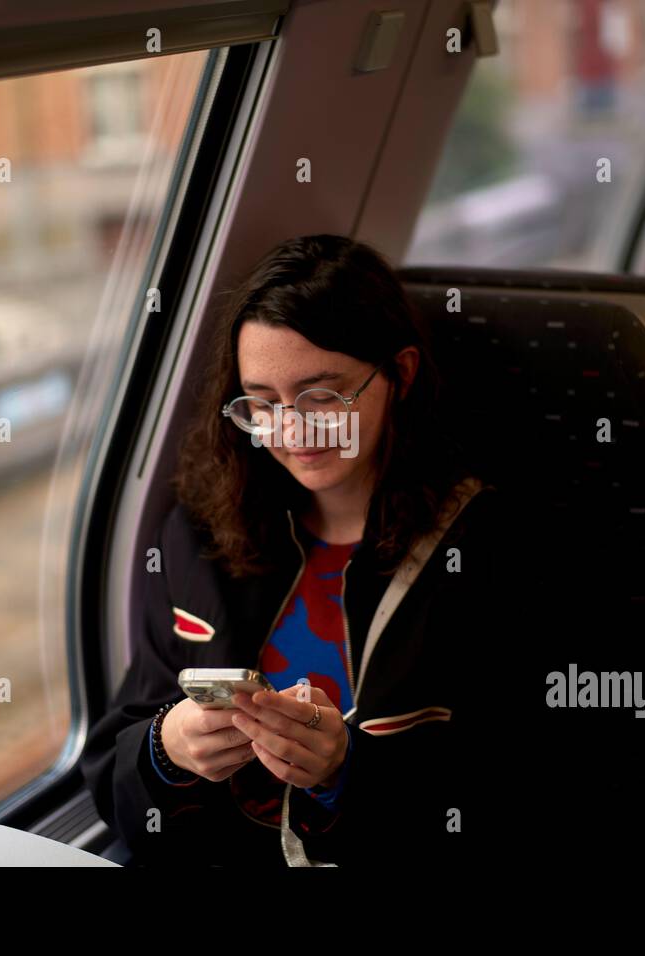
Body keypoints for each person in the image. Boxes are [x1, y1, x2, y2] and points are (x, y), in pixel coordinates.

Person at [80, 234, 515, 866]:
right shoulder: (197, 534)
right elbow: (112, 779)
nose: (290, 429)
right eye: (263, 403)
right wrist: (165, 748)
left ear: (400, 374)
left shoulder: (487, 547)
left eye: (321, 396)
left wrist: (345, 774)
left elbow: (518, 800)